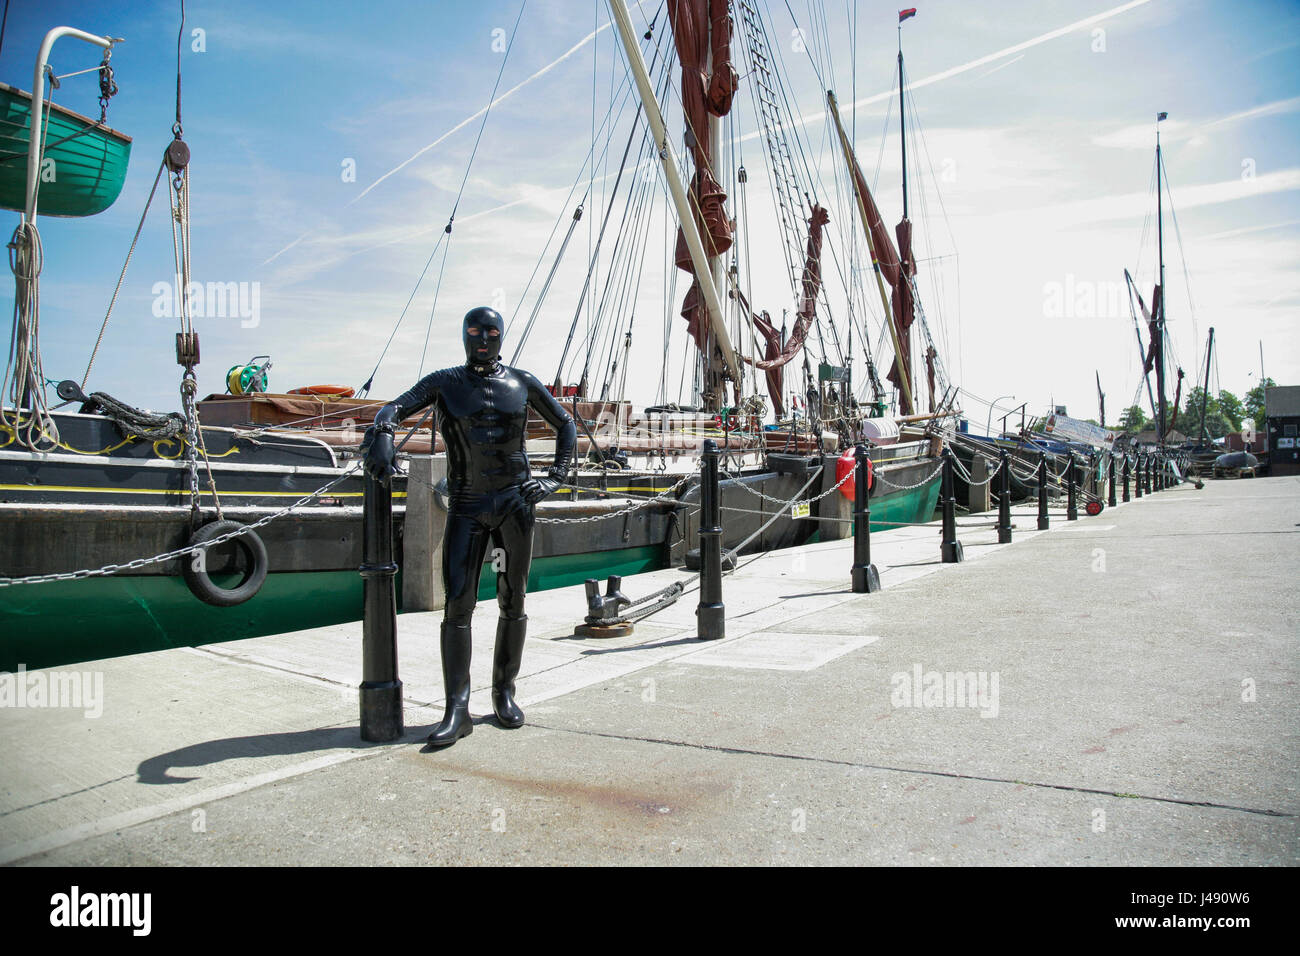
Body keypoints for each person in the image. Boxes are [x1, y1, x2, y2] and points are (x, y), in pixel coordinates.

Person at [362, 306, 576, 747]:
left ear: (501, 336)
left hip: (516, 502)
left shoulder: (523, 382)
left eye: (491, 332)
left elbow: (565, 422)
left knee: (512, 598)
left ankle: (504, 693)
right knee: (457, 603)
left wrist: (556, 476)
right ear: (464, 336)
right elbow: (395, 406)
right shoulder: (446, 383)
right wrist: (383, 432)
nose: (482, 339)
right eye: (474, 332)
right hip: (467, 502)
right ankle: (456, 708)